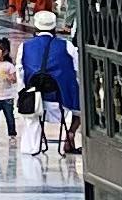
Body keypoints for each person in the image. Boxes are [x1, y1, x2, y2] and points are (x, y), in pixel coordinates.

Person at [21, 9, 81, 154]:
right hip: (64, 102)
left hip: (35, 104)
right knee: (81, 109)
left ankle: (33, 146)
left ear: (36, 27)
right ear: (54, 27)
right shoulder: (67, 46)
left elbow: (20, 75)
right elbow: (77, 71)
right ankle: (71, 134)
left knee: (28, 101)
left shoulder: (25, 47)